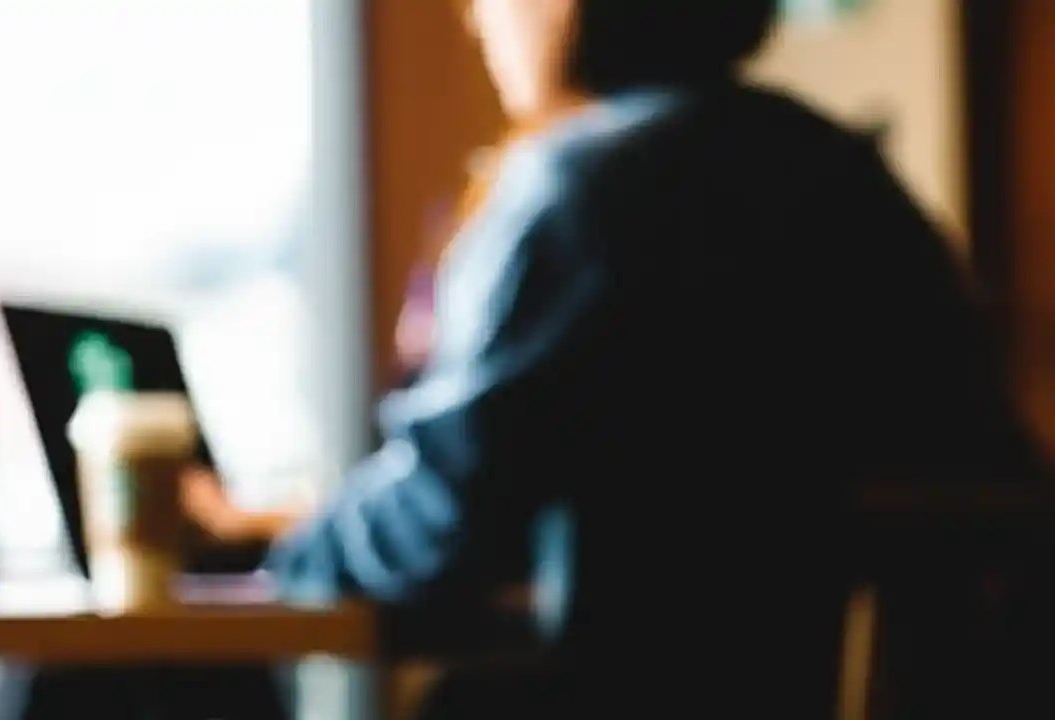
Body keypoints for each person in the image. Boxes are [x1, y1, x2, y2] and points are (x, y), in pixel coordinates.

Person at [188, 0, 1045, 716]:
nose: (475, 23)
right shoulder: (848, 178)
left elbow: (443, 521)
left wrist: (288, 549)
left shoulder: (578, 193)